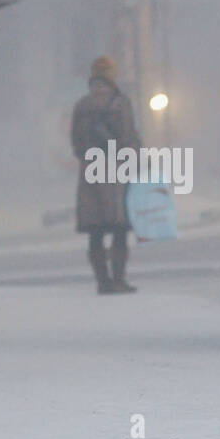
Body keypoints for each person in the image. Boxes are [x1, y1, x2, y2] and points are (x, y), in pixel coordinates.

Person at [71, 55, 140, 294]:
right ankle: (118, 279)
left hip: (91, 173)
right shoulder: (119, 103)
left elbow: (76, 144)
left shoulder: (81, 106)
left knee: (96, 229)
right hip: (116, 172)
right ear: (112, 77)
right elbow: (128, 138)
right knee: (120, 228)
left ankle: (102, 282)